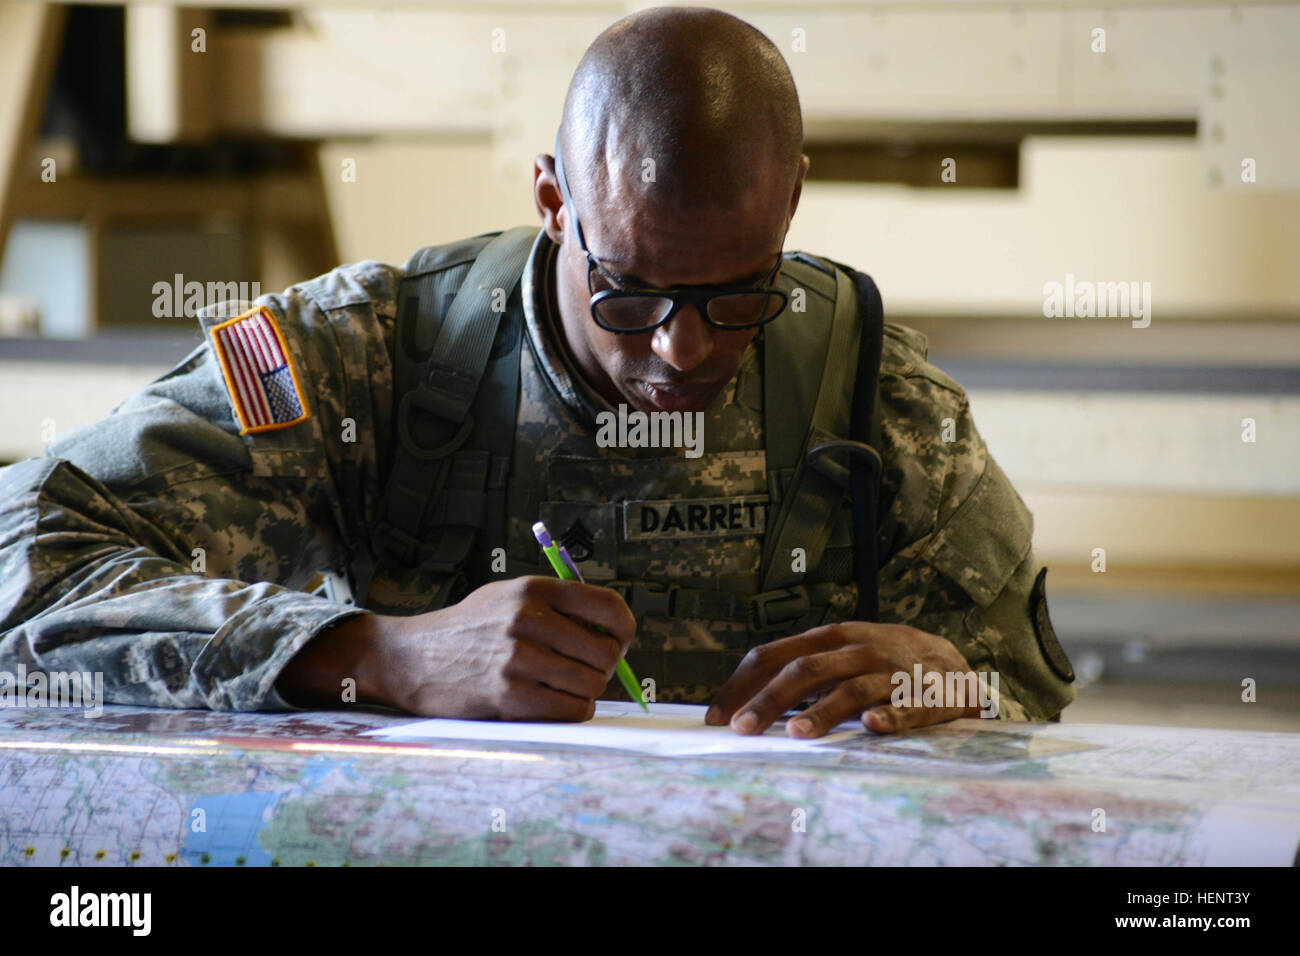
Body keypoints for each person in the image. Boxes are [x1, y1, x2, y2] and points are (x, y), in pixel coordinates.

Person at [0, 6, 1075, 737]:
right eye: (632, 292)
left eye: (738, 295)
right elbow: (18, 556)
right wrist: (376, 654)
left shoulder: (867, 393)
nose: (681, 348)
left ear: (789, 204)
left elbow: (1027, 693)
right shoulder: (369, 362)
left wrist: (945, 682)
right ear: (553, 202)